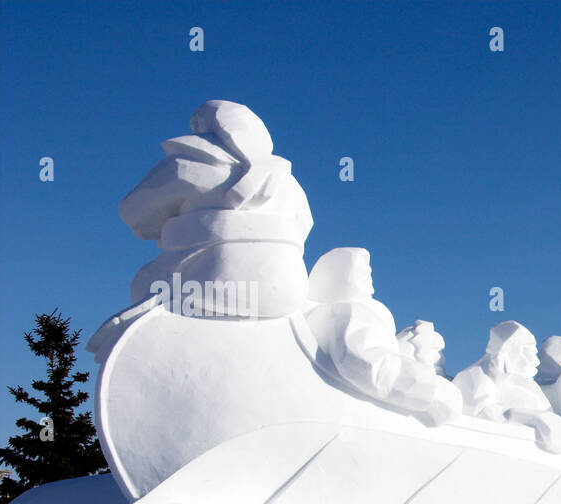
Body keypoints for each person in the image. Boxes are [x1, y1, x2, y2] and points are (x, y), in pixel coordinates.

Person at [119, 100, 314, 318]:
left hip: (213, 281)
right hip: (288, 289)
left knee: (144, 285)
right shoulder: (289, 182)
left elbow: (135, 214)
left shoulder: (188, 162)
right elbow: (306, 224)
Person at [305, 248, 461, 425]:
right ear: (343, 277)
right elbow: (366, 362)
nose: (370, 276)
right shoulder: (347, 311)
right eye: (362, 271)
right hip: (361, 422)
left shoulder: (352, 312)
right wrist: (433, 389)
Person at [453, 321, 561, 452]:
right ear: (510, 350)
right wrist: (534, 418)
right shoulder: (475, 377)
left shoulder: (528, 386)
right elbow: (485, 418)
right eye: (528, 352)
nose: (536, 361)